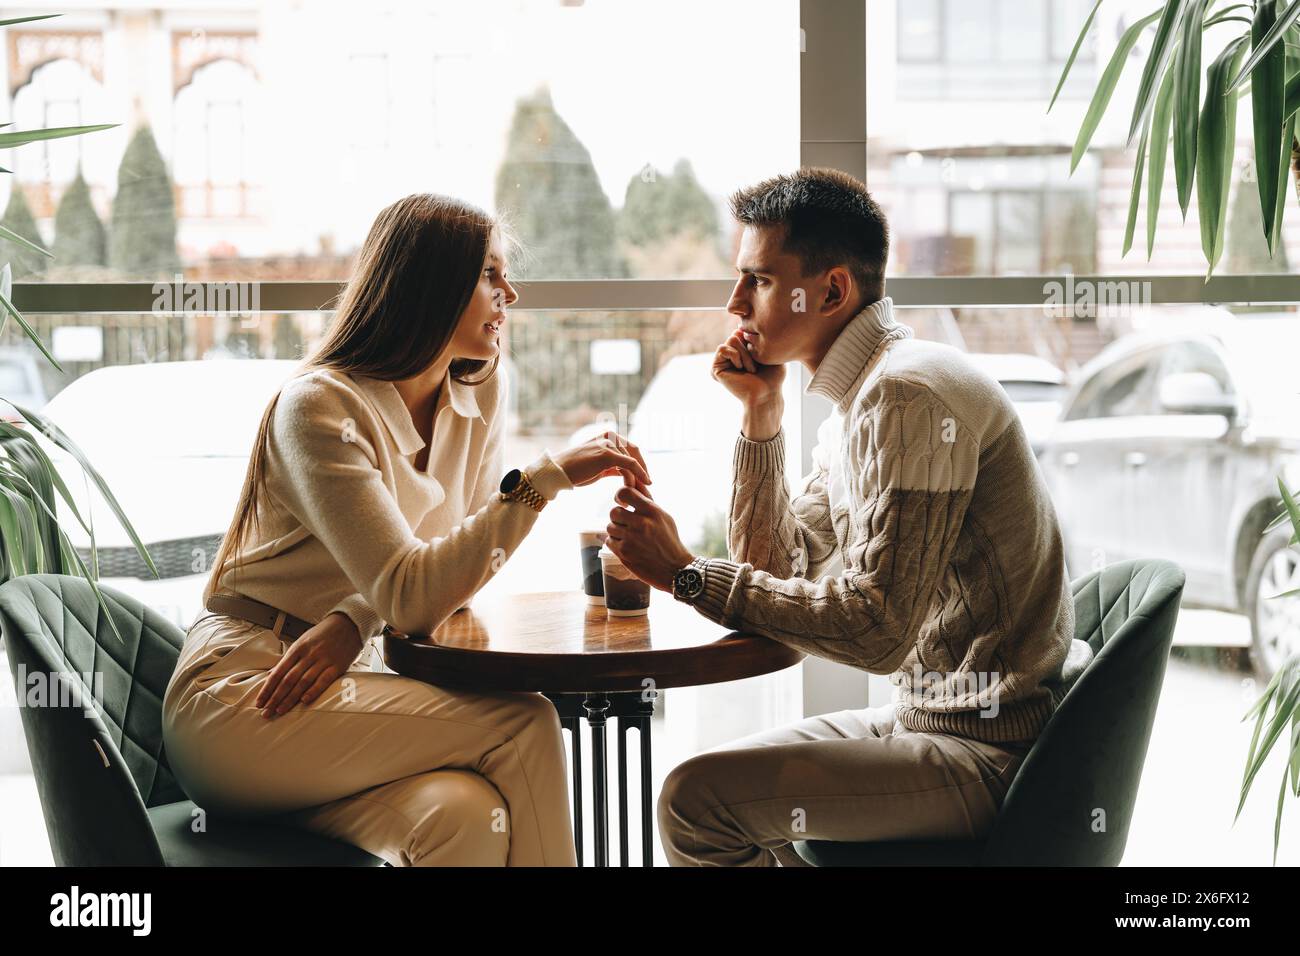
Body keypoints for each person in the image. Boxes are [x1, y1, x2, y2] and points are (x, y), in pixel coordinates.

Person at [604, 167, 1094, 866]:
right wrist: (761, 415)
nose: (734, 302)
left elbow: (876, 631)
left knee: (693, 802)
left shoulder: (907, 397)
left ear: (831, 289)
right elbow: (771, 569)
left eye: (759, 280)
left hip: (989, 753)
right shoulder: (866, 399)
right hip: (926, 722)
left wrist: (686, 574)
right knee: (697, 790)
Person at [162, 192, 653, 867]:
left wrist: (354, 616)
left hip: (341, 697)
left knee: (466, 817)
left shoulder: (478, 390)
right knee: (525, 721)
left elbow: (450, 568)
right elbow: (415, 595)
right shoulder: (321, 409)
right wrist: (545, 479)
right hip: (245, 700)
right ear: (427, 284)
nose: (508, 292)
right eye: (488, 274)